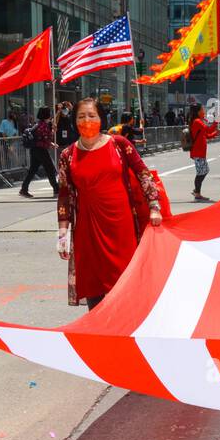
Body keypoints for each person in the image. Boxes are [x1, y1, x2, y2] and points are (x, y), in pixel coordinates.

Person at [56, 97, 163, 310]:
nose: (87, 120)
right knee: (95, 288)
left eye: (91, 115)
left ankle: (127, 332)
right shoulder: (67, 155)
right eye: (81, 116)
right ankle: (100, 335)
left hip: (120, 225)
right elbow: (65, 195)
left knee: (125, 282)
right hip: (87, 230)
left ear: (101, 118)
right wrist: (62, 232)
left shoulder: (119, 144)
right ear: (74, 121)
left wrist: (154, 205)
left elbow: (143, 174)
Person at [19, 106, 58, 198]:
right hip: (41, 150)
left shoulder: (38, 124)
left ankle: (24, 189)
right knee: (50, 169)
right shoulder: (43, 125)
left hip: (35, 149)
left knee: (33, 170)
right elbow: (46, 138)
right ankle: (56, 189)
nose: (51, 115)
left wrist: (50, 142)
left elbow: (41, 138)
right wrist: (53, 131)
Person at [184, 102, 219, 202]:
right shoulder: (197, 121)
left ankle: (197, 191)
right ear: (198, 112)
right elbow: (208, 130)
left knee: (203, 171)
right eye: (202, 110)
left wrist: (215, 133)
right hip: (198, 152)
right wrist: (216, 122)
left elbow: (206, 135)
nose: (204, 112)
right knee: (201, 172)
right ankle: (197, 192)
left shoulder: (197, 121)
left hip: (200, 152)